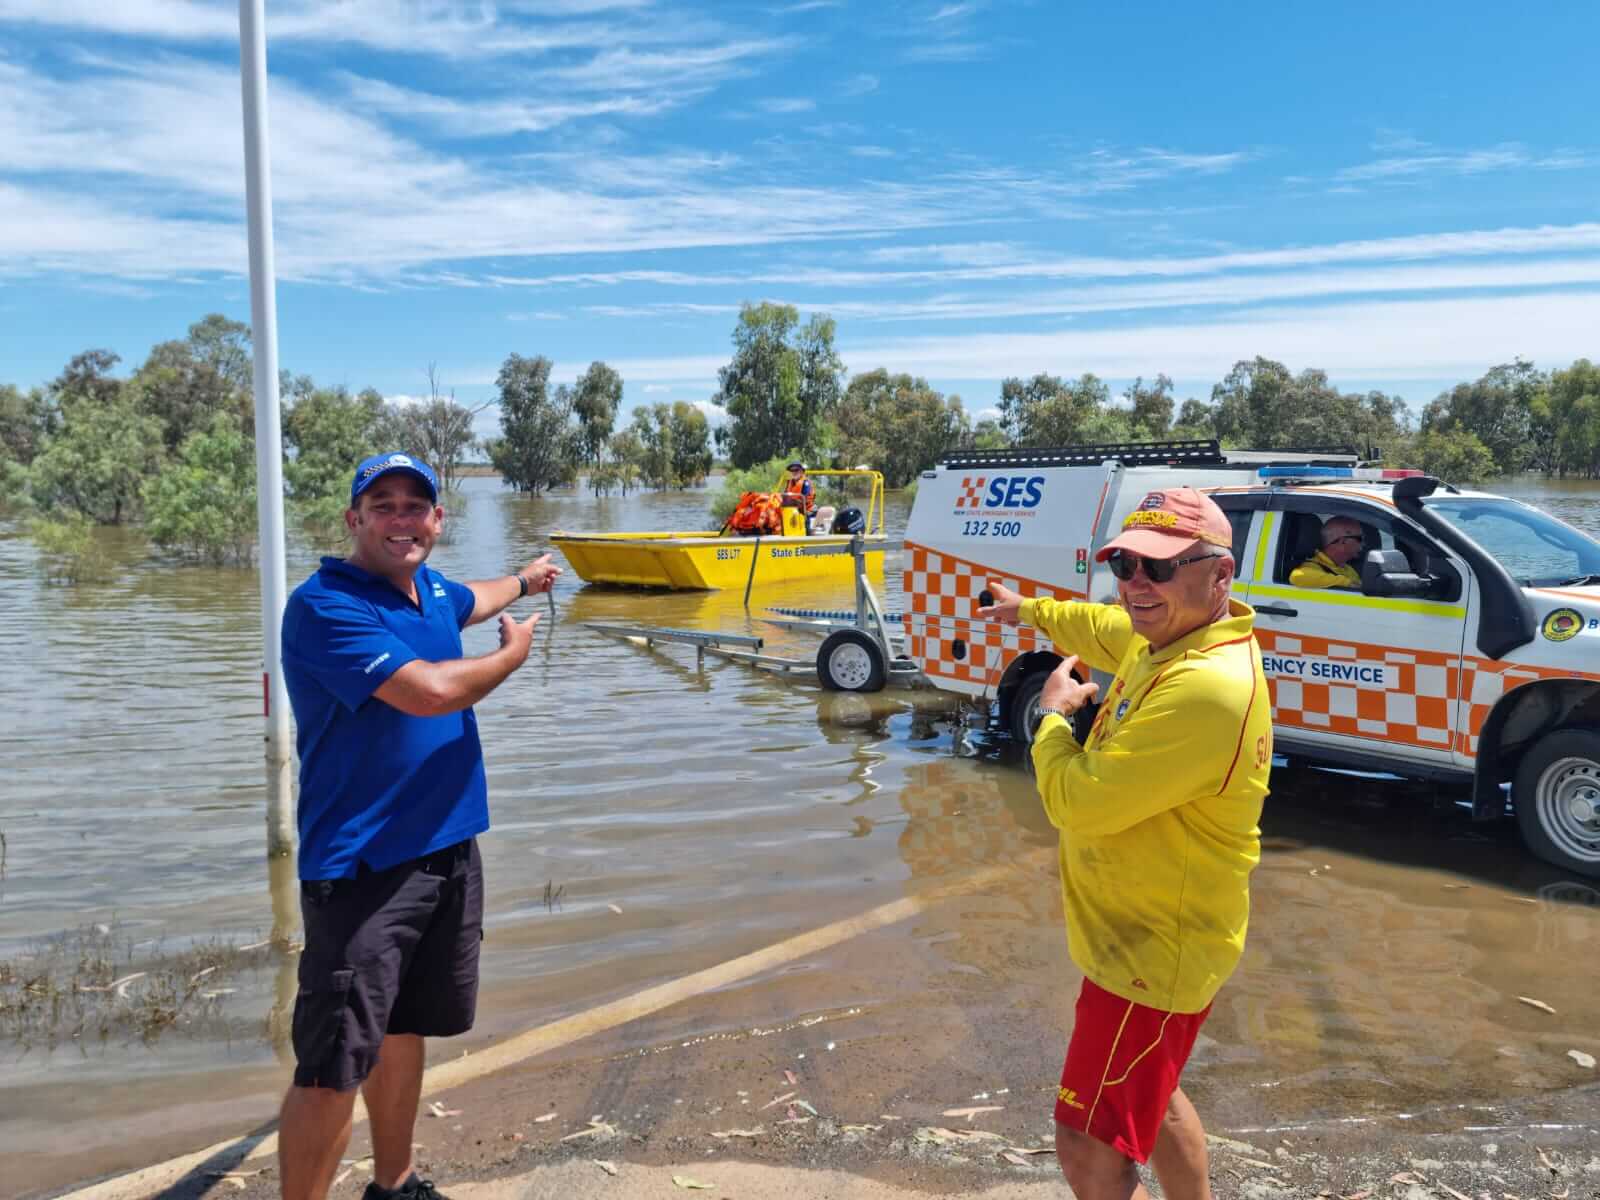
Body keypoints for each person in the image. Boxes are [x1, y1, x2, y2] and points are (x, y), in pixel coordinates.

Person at [277, 452, 562, 1200]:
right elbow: (431, 692)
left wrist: (527, 579)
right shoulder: (325, 605)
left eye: (415, 506)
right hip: (364, 871)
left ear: (437, 519)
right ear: (355, 520)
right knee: (332, 1065)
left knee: (404, 1028)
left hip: (446, 851)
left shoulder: (431, 590)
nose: (400, 519)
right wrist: (511, 657)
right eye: (383, 506)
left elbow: (477, 596)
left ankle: (395, 1184)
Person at [977, 487, 1272, 1200]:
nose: (1138, 584)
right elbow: (1103, 624)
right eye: (1126, 565)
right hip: (1153, 940)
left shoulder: (1204, 686)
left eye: (1160, 568)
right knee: (1156, 1099)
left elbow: (1077, 804)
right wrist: (1027, 610)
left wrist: (1051, 719)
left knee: (1085, 1144)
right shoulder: (1170, 637)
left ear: (1220, 575)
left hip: (1150, 957)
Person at [1289, 516, 1364, 589]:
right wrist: (1346, 583)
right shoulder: (1312, 566)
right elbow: (1297, 576)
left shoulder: (1347, 568)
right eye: (1360, 539)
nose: (1363, 544)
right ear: (1343, 541)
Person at [780, 460, 816, 527]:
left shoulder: (806, 483)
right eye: (792, 471)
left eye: (796, 470)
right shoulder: (789, 483)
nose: (794, 472)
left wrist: (793, 503)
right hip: (792, 510)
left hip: (807, 510)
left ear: (801, 471)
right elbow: (784, 497)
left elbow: (806, 499)